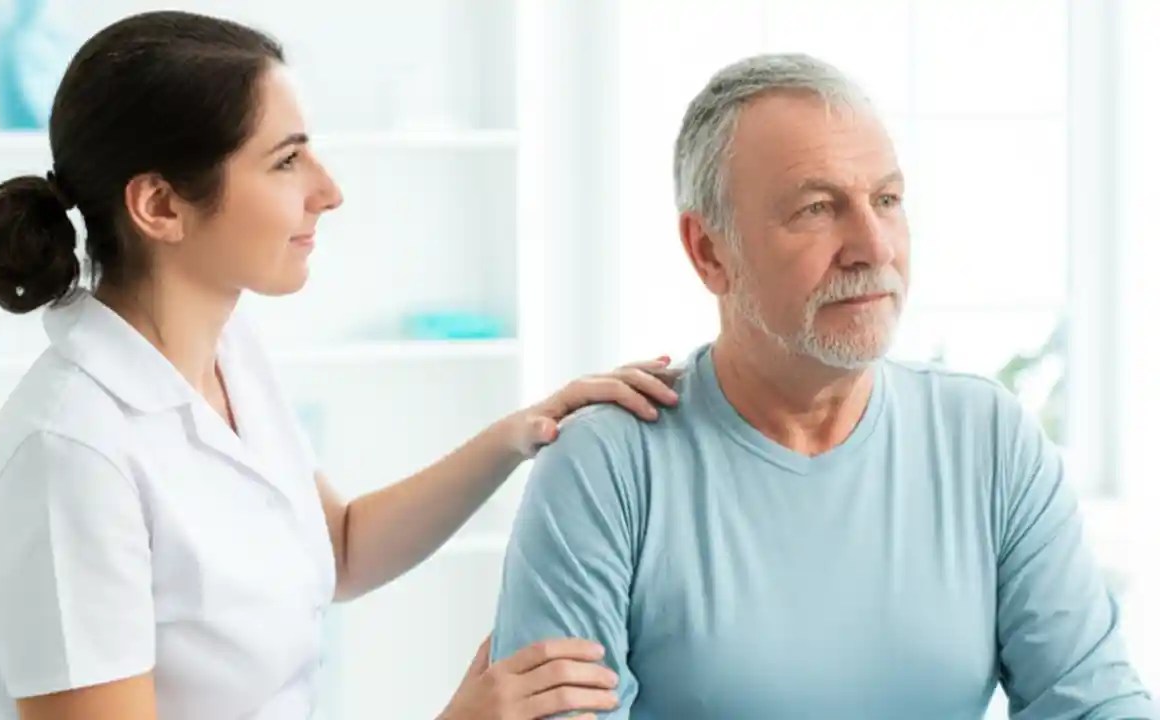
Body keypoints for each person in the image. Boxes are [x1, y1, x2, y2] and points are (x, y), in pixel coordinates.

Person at [0, 11, 678, 720]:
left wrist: (522, 432)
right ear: (160, 206)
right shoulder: (69, 457)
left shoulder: (227, 355)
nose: (328, 192)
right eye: (286, 161)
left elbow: (341, 546)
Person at [490, 53, 1158, 719]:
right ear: (709, 251)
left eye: (886, 201)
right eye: (817, 208)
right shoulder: (604, 466)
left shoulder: (988, 439)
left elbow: (1092, 700)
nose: (874, 246)